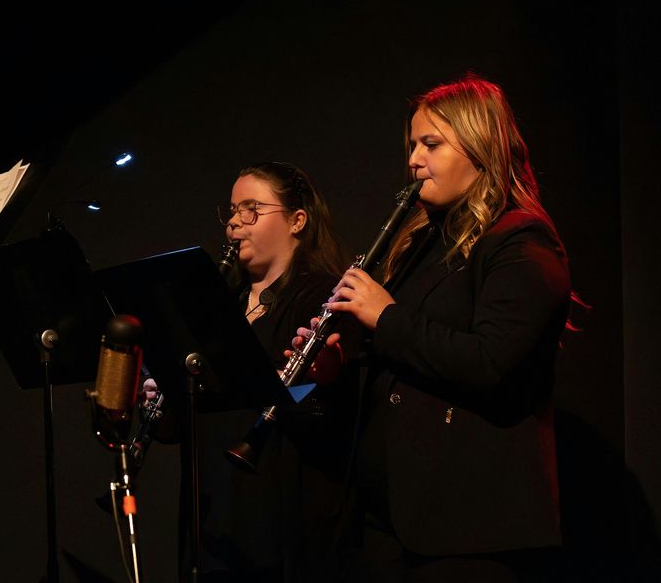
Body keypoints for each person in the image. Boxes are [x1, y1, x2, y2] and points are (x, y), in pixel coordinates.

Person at [299, 73, 572, 582]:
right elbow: (399, 372)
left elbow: (492, 362)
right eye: (412, 145)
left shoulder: (521, 241)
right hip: (387, 526)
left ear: (479, 147)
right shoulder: (418, 245)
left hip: (468, 529)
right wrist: (336, 367)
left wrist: (385, 316)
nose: (413, 160)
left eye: (431, 144)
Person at [191, 160, 353, 582]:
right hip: (215, 512)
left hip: (281, 511)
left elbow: (329, 409)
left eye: (251, 209)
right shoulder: (218, 307)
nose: (234, 224)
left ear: (297, 220)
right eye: (231, 211)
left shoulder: (323, 296)